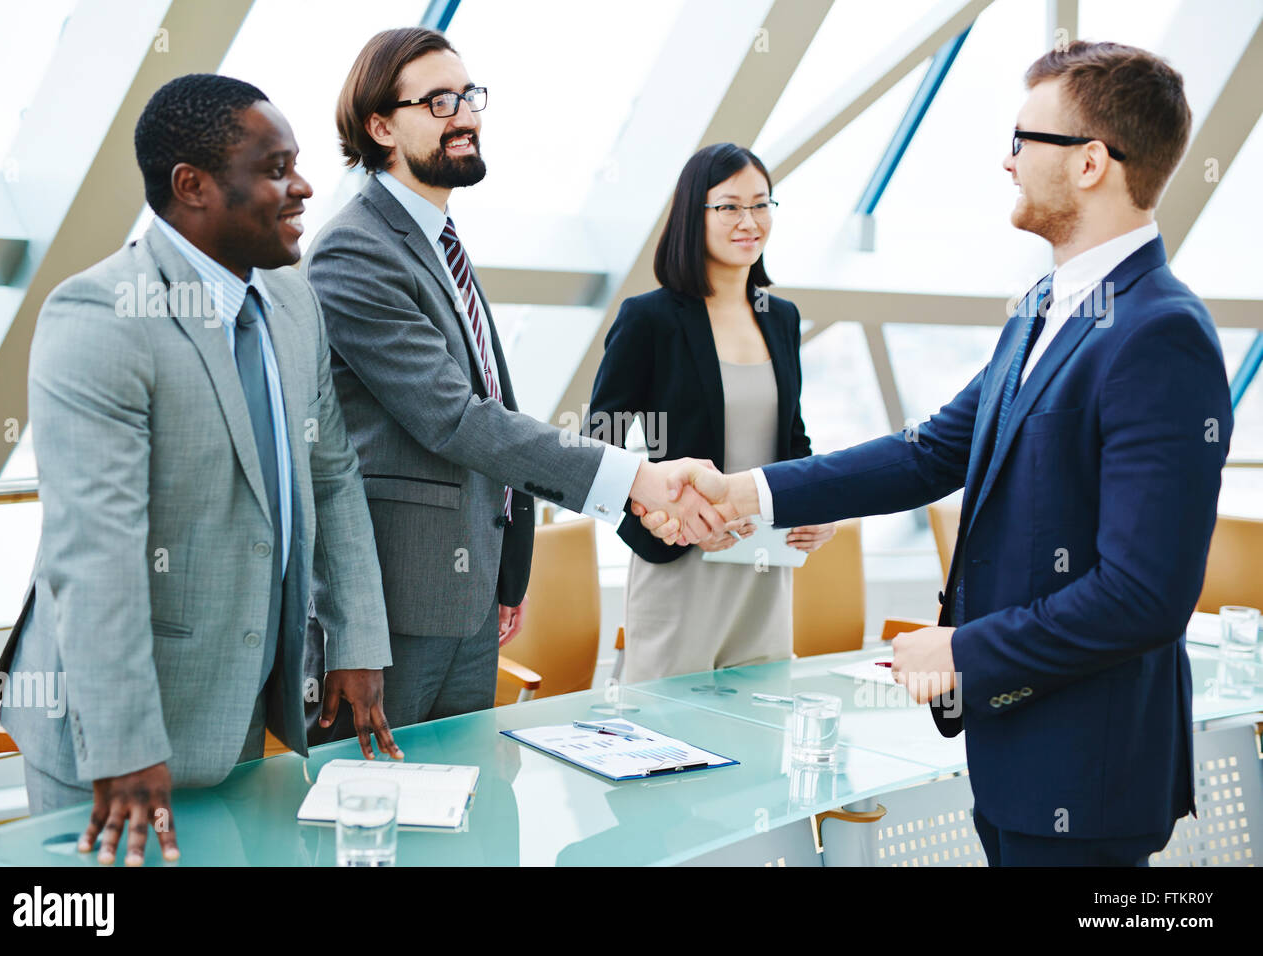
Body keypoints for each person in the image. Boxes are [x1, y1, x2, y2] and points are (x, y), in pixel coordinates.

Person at [639, 41, 1233, 866]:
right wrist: (745, 492)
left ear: (1093, 163)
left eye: (1026, 141)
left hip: (1089, 773)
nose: (1007, 160)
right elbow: (929, 452)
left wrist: (959, 649)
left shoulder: (1161, 333)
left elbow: (1144, 598)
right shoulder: (1043, 306)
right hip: (1013, 754)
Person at [0, 74, 399, 865]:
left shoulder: (291, 300)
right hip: (109, 740)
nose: (304, 186)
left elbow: (333, 471)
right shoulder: (101, 316)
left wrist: (356, 639)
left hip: (238, 708)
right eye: (277, 168)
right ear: (192, 187)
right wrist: (124, 747)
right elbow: (93, 554)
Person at [304, 27, 722, 736]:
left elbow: (488, 406)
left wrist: (505, 570)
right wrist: (634, 478)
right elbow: (456, 419)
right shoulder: (353, 249)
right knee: (381, 822)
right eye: (438, 101)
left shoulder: (440, 240)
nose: (464, 115)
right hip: (392, 614)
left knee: (468, 815)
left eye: (468, 96)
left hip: (470, 598)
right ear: (380, 126)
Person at [586, 143, 836, 682]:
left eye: (761, 204)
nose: (749, 221)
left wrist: (819, 502)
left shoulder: (781, 318)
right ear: (692, 215)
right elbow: (598, 440)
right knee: (666, 745)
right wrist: (658, 520)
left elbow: (791, 440)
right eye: (728, 207)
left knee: (760, 741)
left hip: (766, 570)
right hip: (681, 567)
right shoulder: (650, 319)